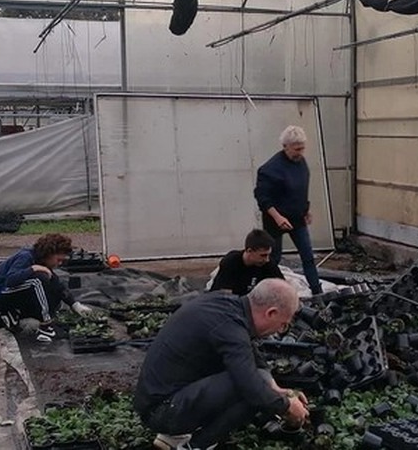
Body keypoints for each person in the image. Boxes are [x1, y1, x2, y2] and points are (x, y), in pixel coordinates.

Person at [133, 278, 311, 450]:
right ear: (271, 312)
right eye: (283, 325)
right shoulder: (230, 328)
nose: (280, 330)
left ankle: (172, 437)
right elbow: (251, 387)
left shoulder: (226, 306)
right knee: (251, 390)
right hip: (162, 411)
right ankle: (195, 446)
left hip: (158, 399)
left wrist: (277, 389)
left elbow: (250, 355)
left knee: (260, 381)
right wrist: (287, 406)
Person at [0, 233, 97, 341]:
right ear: (49, 253)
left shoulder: (42, 260)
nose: (59, 264)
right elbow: (10, 280)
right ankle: (45, 326)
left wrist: (75, 305)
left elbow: (57, 284)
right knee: (38, 281)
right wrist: (33, 268)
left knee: (51, 282)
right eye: (58, 260)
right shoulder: (25, 256)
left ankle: (16, 315)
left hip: (13, 292)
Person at [254, 125, 323, 296]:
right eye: (296, 149)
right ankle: (264, 292)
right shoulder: (270, 169)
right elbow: (262, 198)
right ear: (285, 146)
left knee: (307, 255)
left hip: (297, 218)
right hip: (275, 220)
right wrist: (277, 218)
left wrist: (305, 209)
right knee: (272, 259)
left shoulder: (301, 162)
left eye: (302, 148)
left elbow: (301, 188)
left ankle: (317, 292)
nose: (300, 152)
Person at [207, 229, 284, 296]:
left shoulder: (268, 264)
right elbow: (223, 295)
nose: (267, 259)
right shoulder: (231, 262)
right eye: (263, 255)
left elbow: (283, 286)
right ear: (249, 251)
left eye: (268, 255)